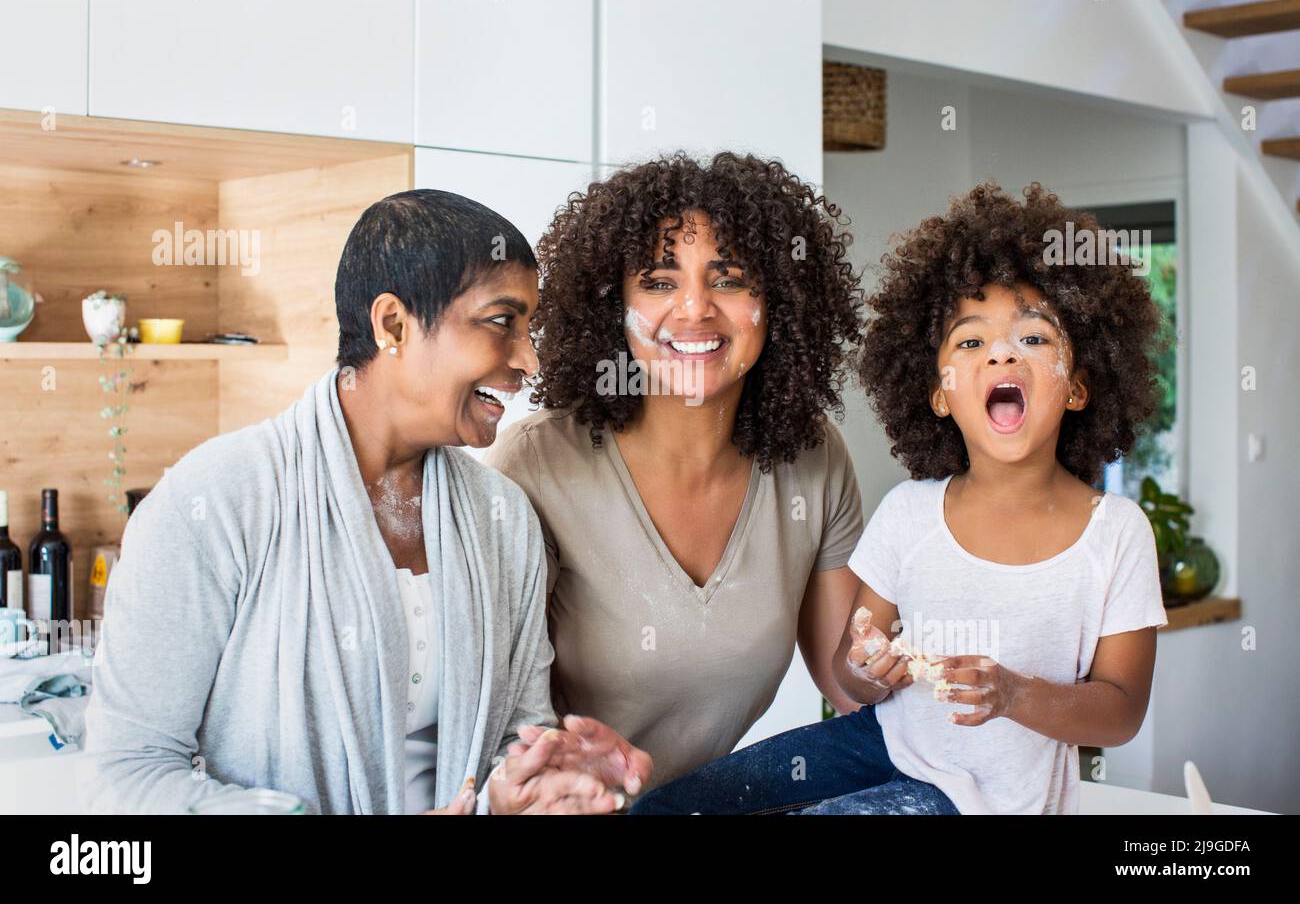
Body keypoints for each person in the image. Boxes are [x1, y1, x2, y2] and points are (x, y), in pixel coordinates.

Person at [81, 189, 650, 814]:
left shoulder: (503, 519)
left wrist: (530, 785)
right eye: (500, 321)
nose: (528, 359)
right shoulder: (217, 501)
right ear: (393, 325)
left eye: (529, 328)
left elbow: (515, 739)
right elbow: (125, 774)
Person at [630, 182, 1167, 814]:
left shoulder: (1115, 532)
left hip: (983, 798)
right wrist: (868, 666)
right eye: (970, 343)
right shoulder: (910, 512)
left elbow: (1120, 712)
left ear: (1077, 387)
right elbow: (851, 669)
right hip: (879, 741)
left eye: (1034, 339)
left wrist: (1015, 695)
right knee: (666, 809)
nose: (1000, 353)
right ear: (938, 394)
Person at [487, 152, 868, 791]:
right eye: (660, 282)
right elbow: (490, 718)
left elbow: (849, 680)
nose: (694, 309)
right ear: (613, 305)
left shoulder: (813, 456)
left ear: (779, 302)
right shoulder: (534, 465)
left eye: (730, 278)